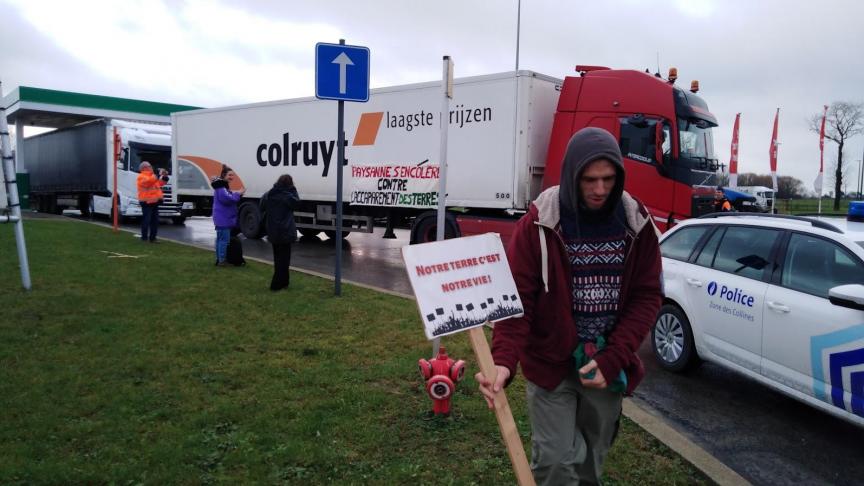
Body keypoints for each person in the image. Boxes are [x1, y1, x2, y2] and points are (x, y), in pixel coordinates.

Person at [475, 127, 663, 485]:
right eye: (589, 180)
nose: (600, 189)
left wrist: (614, 357)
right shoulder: (540, 222)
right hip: (550, 363)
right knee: (555, 464)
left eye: (608, 179)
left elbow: (647, 295)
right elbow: (518, 299)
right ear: (571, 175)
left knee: (591, 463)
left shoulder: (636, 223)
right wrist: (503, 361)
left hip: (605, 362)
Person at [259, 174, 299, 291]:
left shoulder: (269, 194)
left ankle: (281, 283)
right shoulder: (289, 196)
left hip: (273, 231)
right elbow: (297, 204)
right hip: (286, 231)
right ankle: (279, 283)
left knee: (277, 258)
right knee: (285, 259)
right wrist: (293, 190)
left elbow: (261, 206)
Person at [211, 165, 245, 266]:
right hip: (223, 219)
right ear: (224, 175)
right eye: (229, 175)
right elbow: (227, 199)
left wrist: (237, 194)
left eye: (232, 175)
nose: (231, 177)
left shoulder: (221, 186)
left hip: (222, 218)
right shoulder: (221, 187)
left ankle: (219, 259)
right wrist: (238, 194)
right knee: (224, 240)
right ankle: (222, 261)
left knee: (220, 240)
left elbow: (228, 196)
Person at [136, 161, 169, 243]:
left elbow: (161, 183)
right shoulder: (141, 176)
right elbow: (148, 182)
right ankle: (144, 238)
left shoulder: (152, 176)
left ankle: (153, 238)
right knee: (146, 220)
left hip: (154, 202)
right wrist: (158, 174)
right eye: (150, 166)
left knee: (155, 221)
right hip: (146, 202)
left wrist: (165, 176)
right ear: (144, 168)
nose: (151, 167)